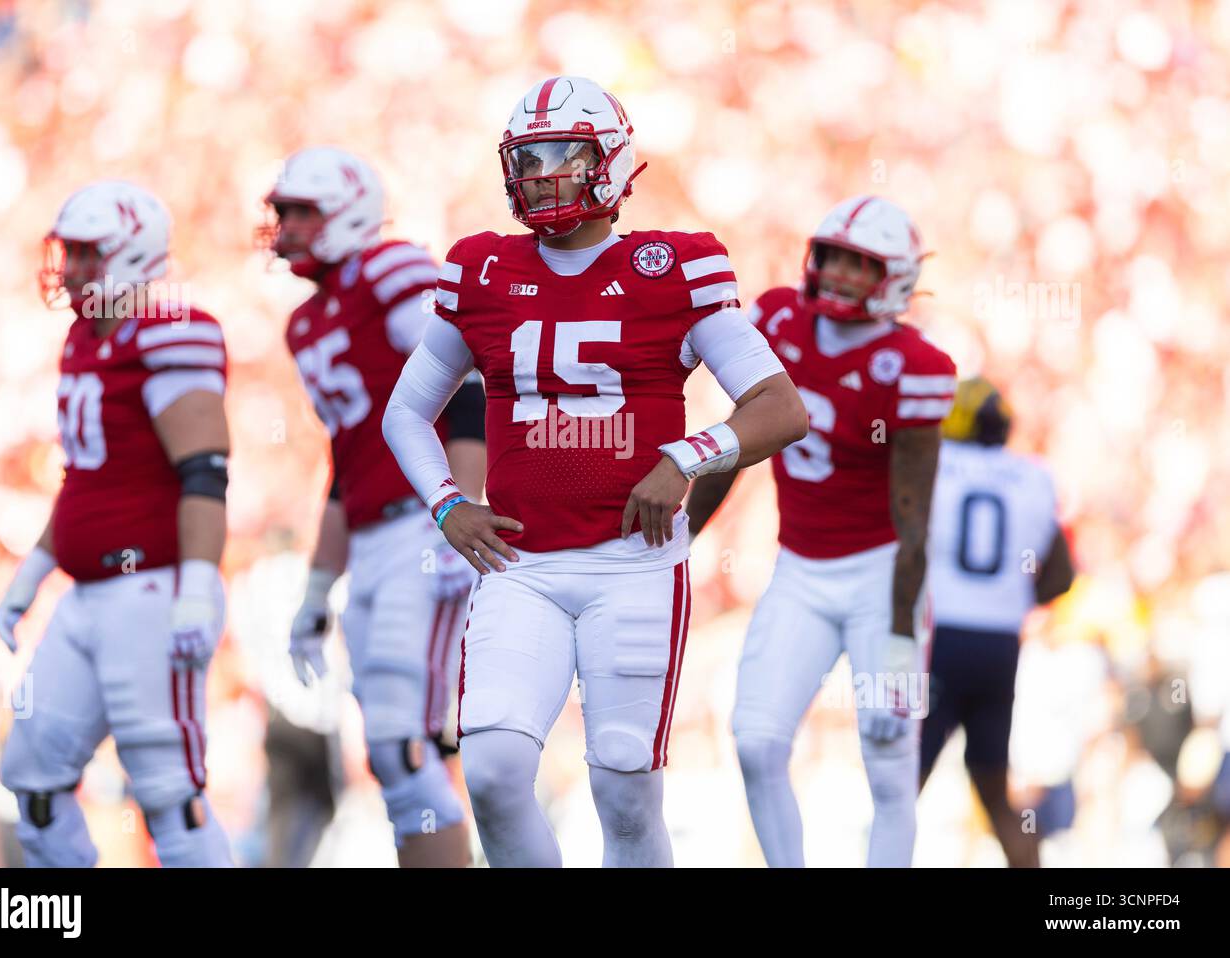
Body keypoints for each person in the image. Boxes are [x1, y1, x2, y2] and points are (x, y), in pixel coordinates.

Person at [382, 75, 806, 867]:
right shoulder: (479, 269)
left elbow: (779, 407)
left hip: (631, 565)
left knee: (625, 794)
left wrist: (685, 455)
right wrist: (447, 505)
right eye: (527, 158)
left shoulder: (674, 264)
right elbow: (406, 411)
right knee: (496, 771)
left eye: (560, 155)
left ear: (609, 162)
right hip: (521, 564)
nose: (540, 174)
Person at [687, 195, 956, 867]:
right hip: (801, 570)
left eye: (857, 264)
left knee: (889, 750)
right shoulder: (778, 319)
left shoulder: (916, 365)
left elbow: (913, 513)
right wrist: (681, 534)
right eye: (831, 255)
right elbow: (736, 448)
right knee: (754, 740)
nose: (836, 272)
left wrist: (900, 635)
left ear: (892, 277)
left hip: (879, 573)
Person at [0, 180, 233, 866]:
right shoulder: (82, 339)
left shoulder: (170, 330)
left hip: (152, 590)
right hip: (88, 595)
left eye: (85, 254)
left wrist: (195, 586)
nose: (67, 268)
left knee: (169, 795)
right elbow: (85, 479)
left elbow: (204, 471)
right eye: (66, 251)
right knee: (34, 783)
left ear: (132, 257)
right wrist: (29, 577)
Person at [264, 146, 486, 867]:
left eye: (301, 212)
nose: (286, 226)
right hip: (371, 541)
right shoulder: (305, 325)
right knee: (390, 754)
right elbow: (346, 463)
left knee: (407, 741)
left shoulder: (391, 272)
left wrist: (461, 510)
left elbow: (468, 389)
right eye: (283, 212)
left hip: (426, 522)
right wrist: (317, 587)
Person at [921, 376, 1074, 867]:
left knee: (899, 789)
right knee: (993, 790)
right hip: (1000, 647)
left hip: (940, 641)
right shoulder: (1033, 475)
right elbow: (1061, 577)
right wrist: (1010, 598)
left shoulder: (933, 465)